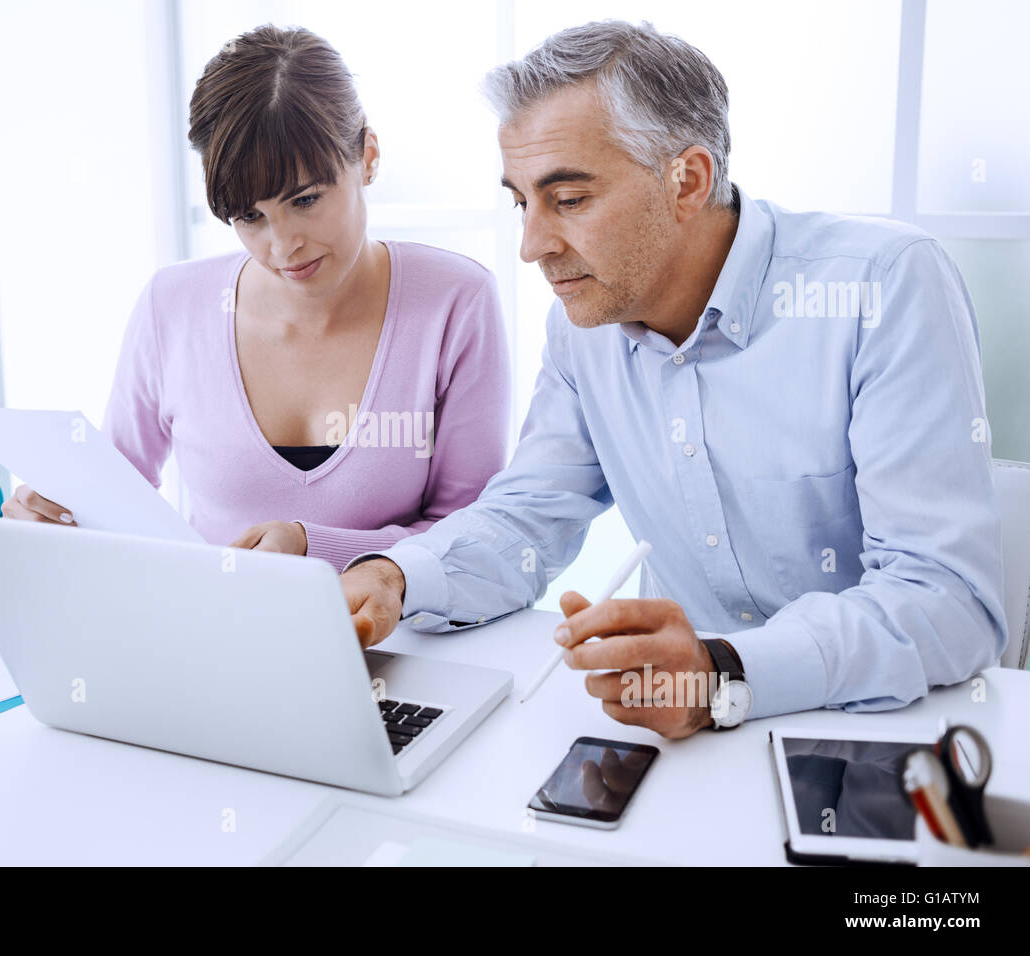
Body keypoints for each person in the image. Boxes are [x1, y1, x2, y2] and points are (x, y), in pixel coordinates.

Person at [340, 20, 1006, 737]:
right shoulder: (583, 326)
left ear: (687, 180)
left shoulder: (883, 285)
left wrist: (723, 672)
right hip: (687, 744)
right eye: (520, 202)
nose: (533, 245)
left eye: (568, 200)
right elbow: (525, 515)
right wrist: (395, 575)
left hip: (884, 731)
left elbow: (949, 599)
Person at [2, 24, 510, 570]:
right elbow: (116, 500)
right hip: (212, 636)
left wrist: (314, 547)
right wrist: (58, 516)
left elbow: (470, 538)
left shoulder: (456, 303)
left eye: (306, 199)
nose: (283, 245)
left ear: (367, 156)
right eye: (250, 216)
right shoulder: (171, 306)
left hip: (396, 642)